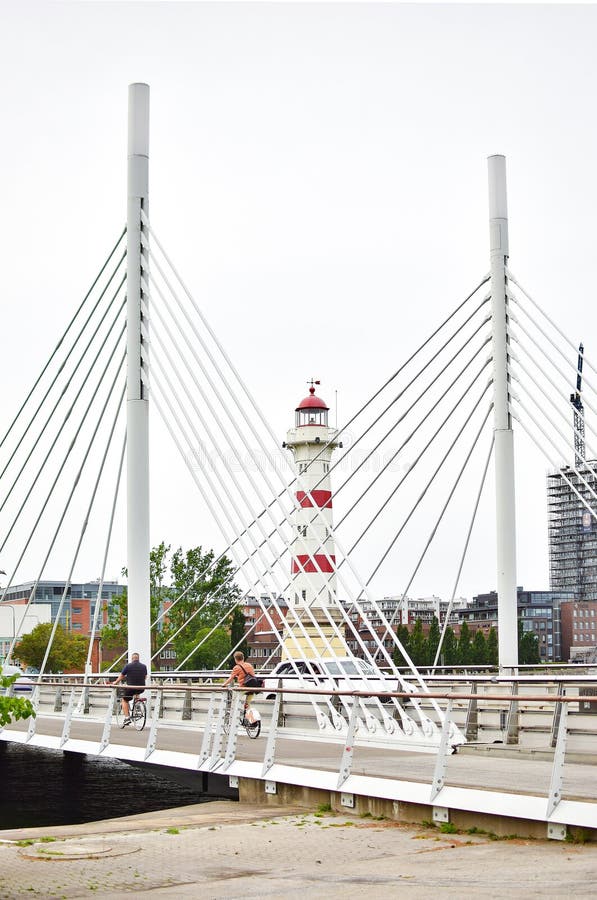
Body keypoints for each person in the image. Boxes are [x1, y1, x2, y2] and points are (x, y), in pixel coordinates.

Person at [222, 651, 258, 722]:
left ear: (235, 659)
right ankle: (251, 721)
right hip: (253, 687)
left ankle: (232, 718)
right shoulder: (249, 665)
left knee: (234, 701)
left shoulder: (237, 667)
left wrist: (223, 685)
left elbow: (231, 678)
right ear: (243, 658)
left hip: (243, 688)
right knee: (247, 705)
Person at [113, 652, 147, 726]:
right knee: (137, 692)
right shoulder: (144, 666)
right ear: (138, 658)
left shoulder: (128, 666)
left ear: (132, 659)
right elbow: (145, 677)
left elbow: (122, 676)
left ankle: (127, 718)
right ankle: (138, 709)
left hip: (131, 688)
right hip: (142, 688)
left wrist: (115, 682)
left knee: (124, 700)